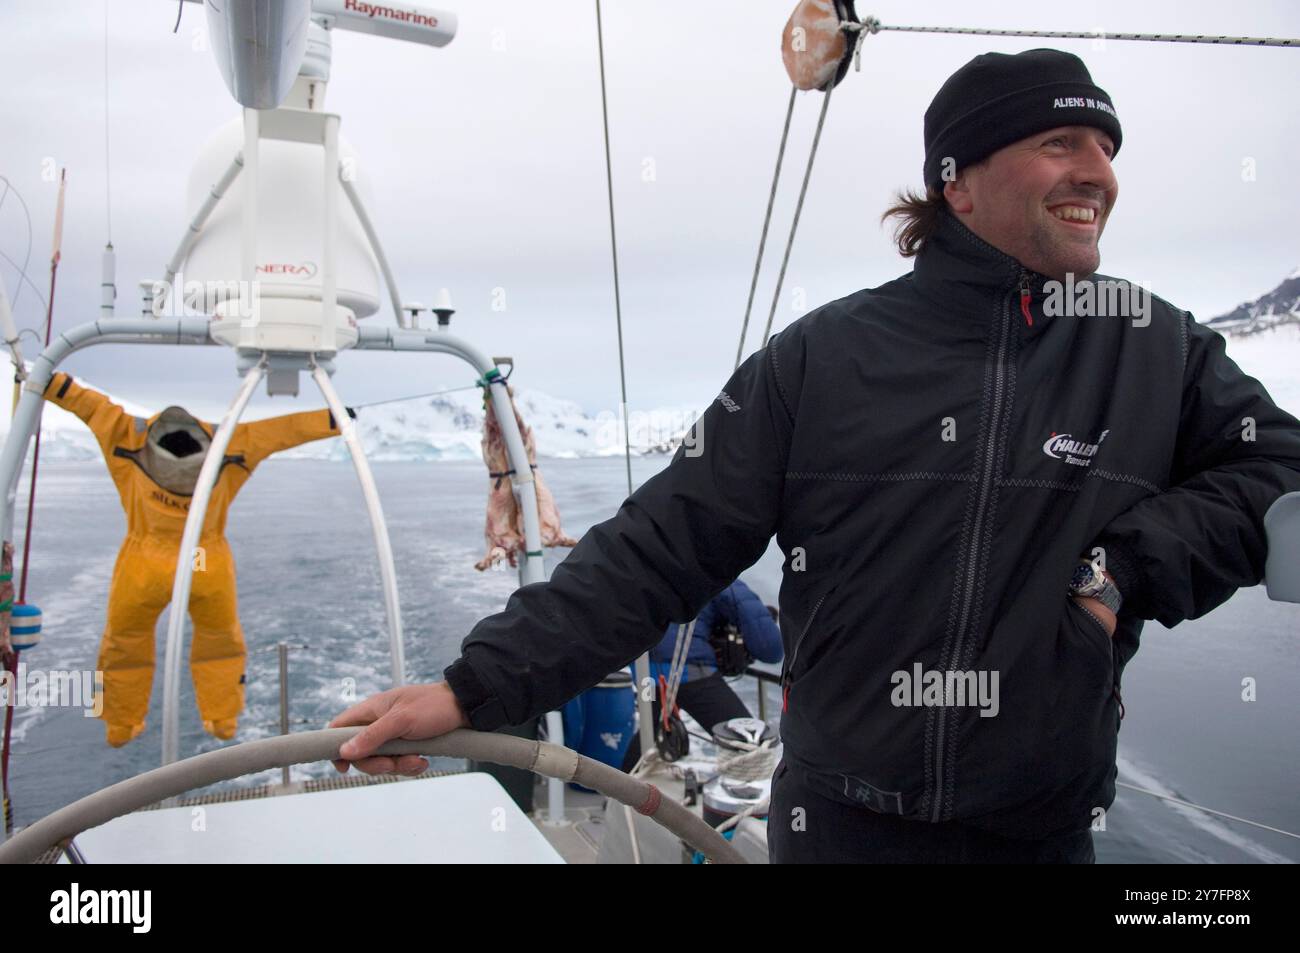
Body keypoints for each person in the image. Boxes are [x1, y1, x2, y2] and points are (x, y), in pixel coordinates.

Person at [330, 49, 1300, 863]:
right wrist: (473, 688)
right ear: (956, 180)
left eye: (1106, 146)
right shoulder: (825, 357)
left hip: (1043, 828)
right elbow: (665, 540)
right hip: (839, 821)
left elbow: (1280, 468)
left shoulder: (1151, 344)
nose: (1098, 171)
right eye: (1060, 142)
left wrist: (1124, 566)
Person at [44, 372, 345, 746]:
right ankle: (221, 718)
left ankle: (120, 723)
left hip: (144, 564)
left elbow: (89, 405)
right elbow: (281, 430)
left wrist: (52, 383)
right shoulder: (229, 443)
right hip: (203, 560)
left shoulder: (125, 434)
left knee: (125, 641)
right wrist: (334, 419)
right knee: (219, 642)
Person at [618, 579, 782, 772]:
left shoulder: (645, 569)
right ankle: (754, 793)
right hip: (691, 673)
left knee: (649, 734)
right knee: (749, 744)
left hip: (645, 673)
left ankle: (618, 793)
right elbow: (770, 648)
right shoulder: (721, 576)